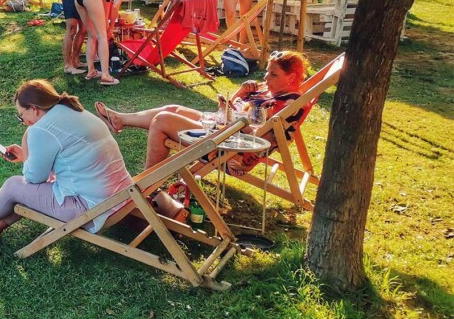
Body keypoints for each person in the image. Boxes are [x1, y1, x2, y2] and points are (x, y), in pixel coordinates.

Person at [94, 51, 308, 218]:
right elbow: (235, 111)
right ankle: (120, 120)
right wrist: (240, 94)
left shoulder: (287, 103)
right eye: (267, 72)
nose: (266, 77)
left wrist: (230, 113)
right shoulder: (272, 91)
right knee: (173, 109)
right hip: (224, 129)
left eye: (273, 74)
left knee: (162, 122)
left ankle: (145, 186)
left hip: (231, 149)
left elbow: (252, 135)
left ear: (291, 77)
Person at [0, 80, 133, 244]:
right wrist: (26, 155)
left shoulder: (41, 130)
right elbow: (68, 159)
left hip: (91, 208)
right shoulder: (74, 111)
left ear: (34, 109)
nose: (23, 121)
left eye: (21, 115)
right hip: (120, 194)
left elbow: (33, 179)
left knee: (14, 185)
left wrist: (27, 137)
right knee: (35, 188)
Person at [75, 0, 139, 86]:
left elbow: (104, 10)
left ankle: (91, 71)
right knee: (102, 36)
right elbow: (115, 7)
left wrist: (107, 25)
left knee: (92, 35)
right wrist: (110, 28)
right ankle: (105, 75)